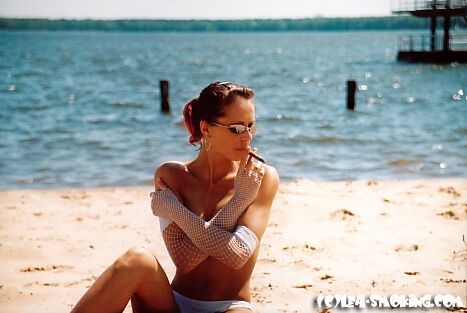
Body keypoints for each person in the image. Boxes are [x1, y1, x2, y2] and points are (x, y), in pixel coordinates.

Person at [71, 81, 280, 313]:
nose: (248, 138)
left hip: (229, 306)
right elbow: (185, 261)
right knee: (137, 259)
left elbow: (237, 253)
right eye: (237, 129)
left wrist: (178, 210)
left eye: (250, 126)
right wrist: (237, 203)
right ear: (206, 128)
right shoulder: (171, 176)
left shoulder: (260, 178)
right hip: (174, 305)